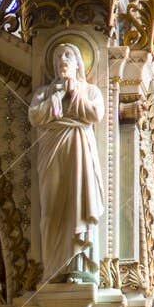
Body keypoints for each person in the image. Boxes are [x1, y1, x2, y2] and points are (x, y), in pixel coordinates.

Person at [29, 42, 106, 282]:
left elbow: (95, 114)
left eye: (68, 55)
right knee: (51, 207)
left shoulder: (90, 90)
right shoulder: (44, 92)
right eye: (59, 56)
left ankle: (77, 266)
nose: (63, 59)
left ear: (77, 63)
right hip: (51, 152)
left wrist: (75, 95)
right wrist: (58, 96)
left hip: (79, 150)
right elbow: (34, 116)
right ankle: (53, 269)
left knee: (77, 204)